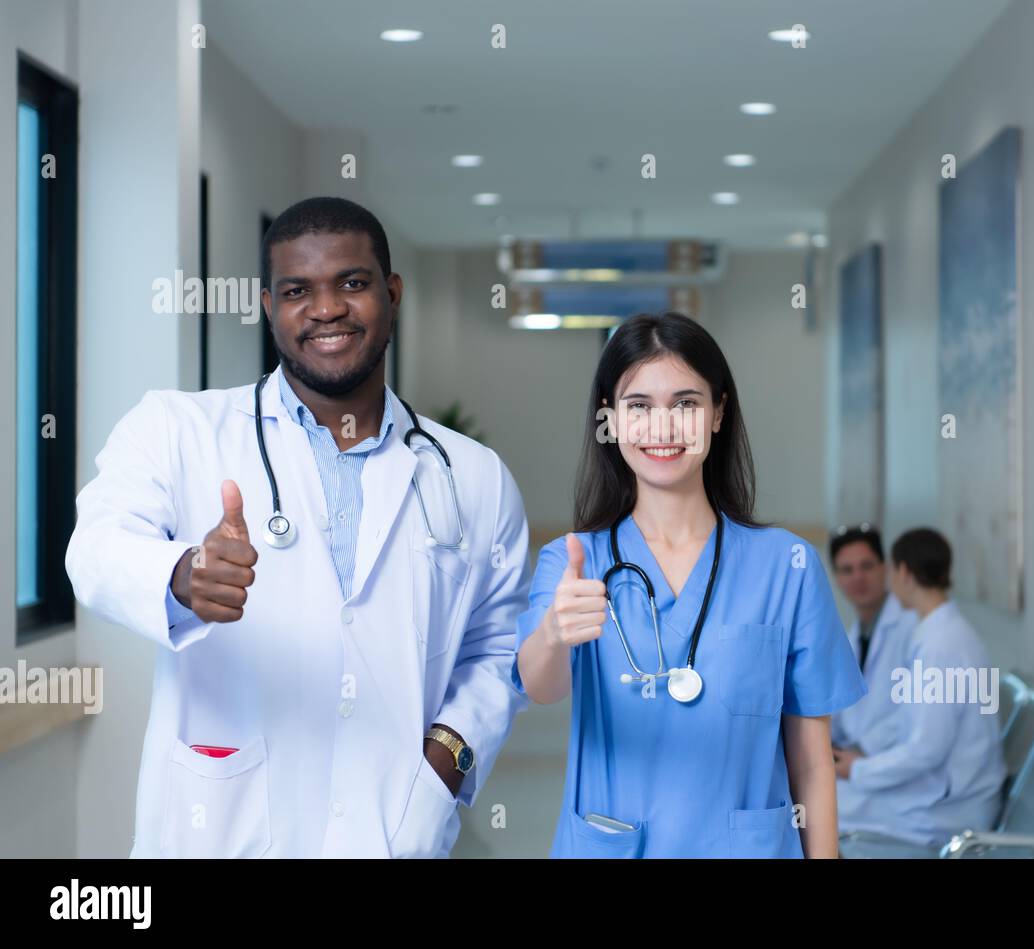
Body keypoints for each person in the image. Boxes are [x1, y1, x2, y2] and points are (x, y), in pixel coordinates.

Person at [64, 197, 530, 858]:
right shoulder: (177, 429)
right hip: (219, 827)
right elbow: (96, 548)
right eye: (296, 290)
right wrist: (182, 575)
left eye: (353, 283)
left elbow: (499, 643)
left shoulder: (473, 475)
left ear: (392, 293)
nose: (327, 308)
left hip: (393, 826)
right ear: (268, 307)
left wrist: (446, 758)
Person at [514, 312, 864, 858]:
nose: (663, 427)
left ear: (719, 412)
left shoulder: (787, 566)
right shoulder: (575, 560)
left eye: (686, 404)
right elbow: (542, 687)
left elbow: (812, 757)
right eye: (639, 406)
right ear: (609, 418)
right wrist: (554, 635)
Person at [834, 528, 1005, 857]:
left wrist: (857, 769)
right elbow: (913, 728)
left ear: (902, 572)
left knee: (814, 809)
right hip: (941, 789)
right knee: (820, 801)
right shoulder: (943, 634)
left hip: (948, 807)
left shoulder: (940, 647)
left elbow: (926, 749)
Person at [826, 525, 918, 827]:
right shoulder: (856, 634)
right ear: (836, 578)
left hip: (893, 772)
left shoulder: (912, 627)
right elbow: (843, 706)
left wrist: (860, 753)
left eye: (866, 566)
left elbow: (914, 712)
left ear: (886, 568)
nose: (857, 578)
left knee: (812, 814)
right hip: (863, 763)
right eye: (846, 570)